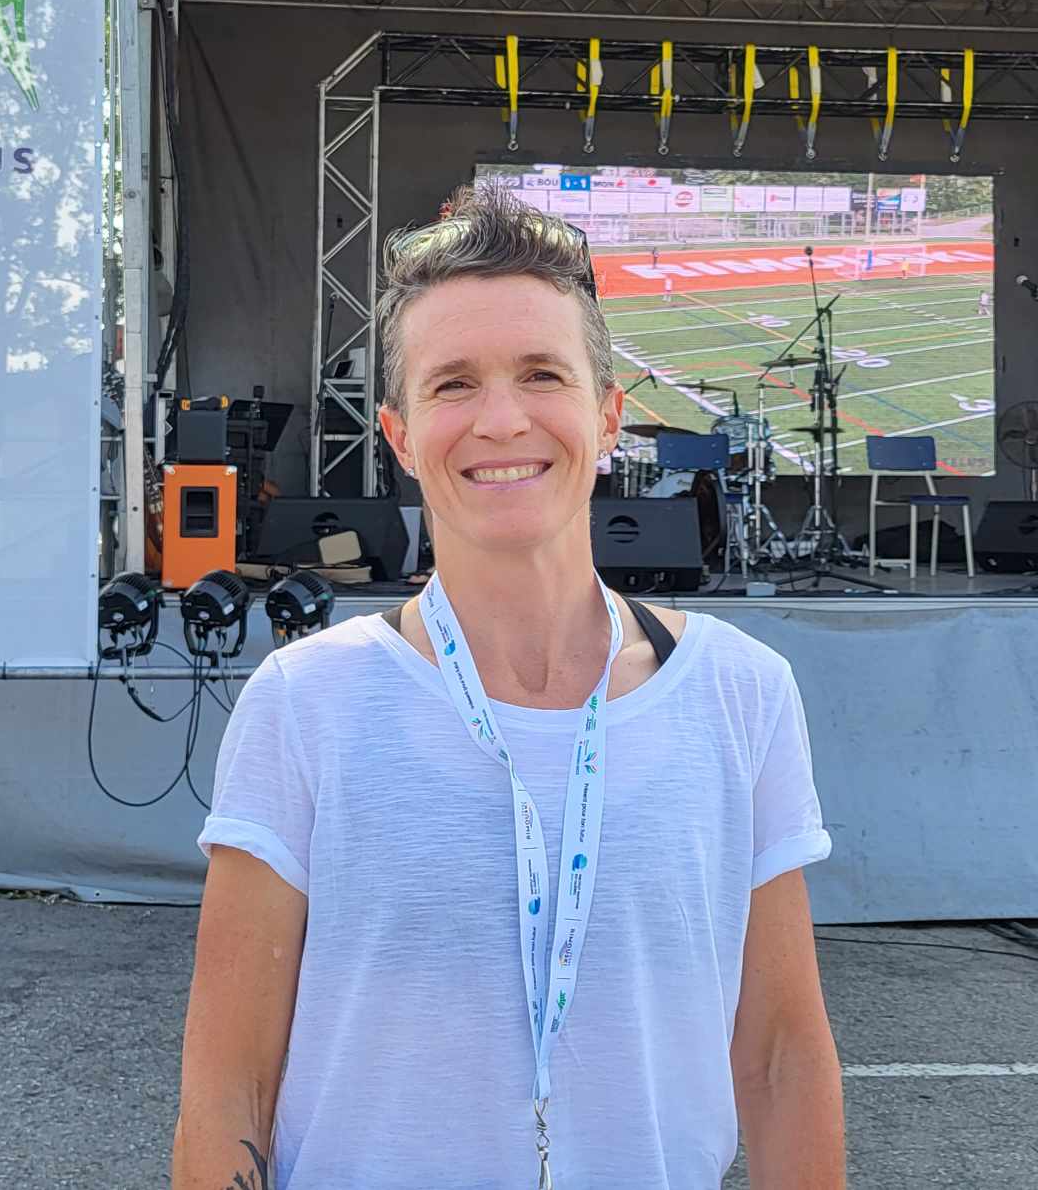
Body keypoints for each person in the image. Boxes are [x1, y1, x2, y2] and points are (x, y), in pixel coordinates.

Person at [174, 186, 845, 1190]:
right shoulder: (303, 704)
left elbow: (781, 1058)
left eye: (541, 374)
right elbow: (231, 1080)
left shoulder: (739, 693)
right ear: (398, 436)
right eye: (452, 385)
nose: (500, 420)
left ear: (606, 414)